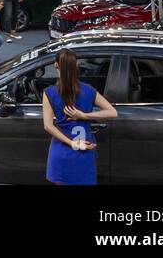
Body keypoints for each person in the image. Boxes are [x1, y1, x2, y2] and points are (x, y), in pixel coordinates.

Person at [42, 48, 118, 185]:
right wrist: (84, 115)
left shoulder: (49, 93)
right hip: (83, 150)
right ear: (76, 65)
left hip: (61, 151)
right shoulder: (88, 90)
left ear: (56, 65)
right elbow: (112, 112)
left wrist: (71, 143)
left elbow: (48, 125)